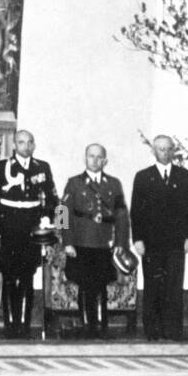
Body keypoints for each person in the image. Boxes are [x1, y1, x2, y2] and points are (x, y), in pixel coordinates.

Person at [0, 130, 56, 339]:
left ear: (34, 145)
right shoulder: (1, 168)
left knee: (26, 276)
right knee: (9, 275)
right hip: (8, 229)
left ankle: (24, 325)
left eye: (29, 143)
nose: (25, 146)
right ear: (14, 145)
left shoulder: (42, 167)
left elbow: (54, 199)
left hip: (31, 231)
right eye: (21, 142)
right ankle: (10, 325)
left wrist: (56, 225)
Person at [130, 135, 188, 342]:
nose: (165, 153)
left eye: (168, 149)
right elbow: (136, 211)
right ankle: (152, 330)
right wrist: (138, 239)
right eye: (161, 149)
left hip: (176, 241)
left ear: (173, 151)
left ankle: (173, 330)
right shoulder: (143, 177)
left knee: (174, 286)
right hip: (151, 242)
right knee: (153, 286)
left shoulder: (184, 176)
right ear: (153, 151)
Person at [60, 144, 130, 339]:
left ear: (105, 161)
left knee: (101, 284)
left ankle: (101, 326)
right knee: (85, 285)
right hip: (81, 242)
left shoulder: (114, 184)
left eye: (99, 157)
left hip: (104, 242)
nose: (95, 160)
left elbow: (122, 216)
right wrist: (67, 241)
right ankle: (87, 326)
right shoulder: (74, 183)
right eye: (91, 156)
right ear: (85, 158)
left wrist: (120, 244)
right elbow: (62, 212)